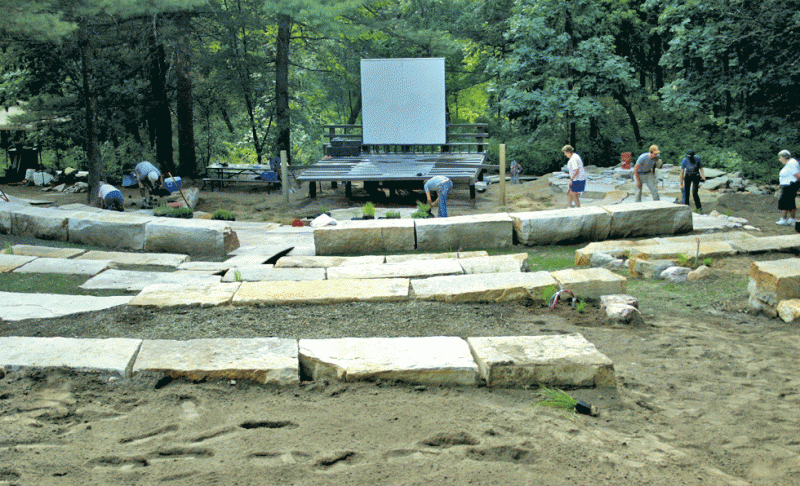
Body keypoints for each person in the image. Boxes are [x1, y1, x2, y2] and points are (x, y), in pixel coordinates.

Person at [776, 150, 800, 225]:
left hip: (790, 185)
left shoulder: (791, 163)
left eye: (780, 158)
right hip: (789, 185)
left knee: (783, 201)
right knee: (790, 202)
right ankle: (791, 219)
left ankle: (784, 219)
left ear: (784, 157)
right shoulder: (790, 163)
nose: (780, 160)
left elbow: (798, 175)